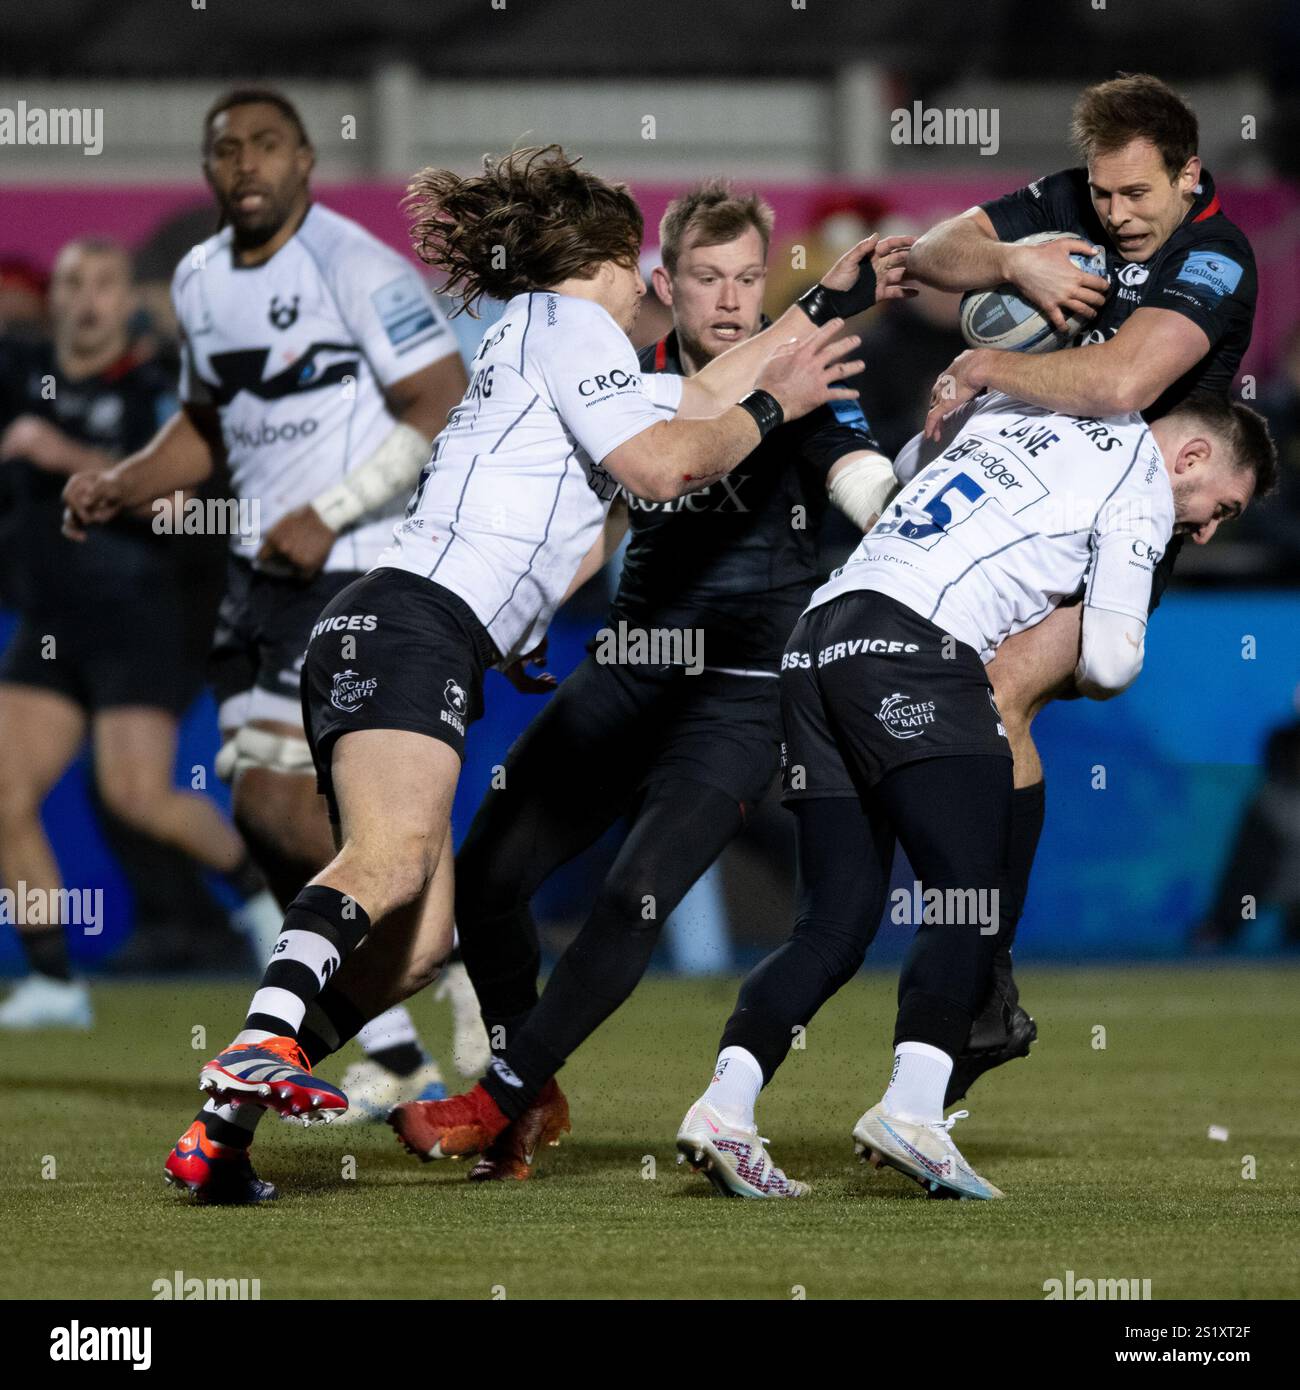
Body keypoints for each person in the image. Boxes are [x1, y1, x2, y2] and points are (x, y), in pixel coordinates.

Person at [66, 142, 902, 1203]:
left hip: (395, 628)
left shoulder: (542, 333)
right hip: (408, 625)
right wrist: (781, 398)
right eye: (640, 261)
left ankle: (217, 1136)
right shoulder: (574, 324)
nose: (650, 281)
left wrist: (822, 306)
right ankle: (258, 1044)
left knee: (411, 951)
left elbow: (686, 398)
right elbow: (667, 458)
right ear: (601, 259)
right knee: (397, 853)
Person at [387, 179, 906, 1180]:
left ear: (768, 280)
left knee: (631, 901)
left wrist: (906, 506)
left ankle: (490, 1104)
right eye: (705, 277)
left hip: (742, 692)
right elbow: (605, 517)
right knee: (488, 878)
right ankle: (526, 1086)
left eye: (748, 277)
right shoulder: (626, 373)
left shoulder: (805, 377)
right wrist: (528, 613)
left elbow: (863, 485)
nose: (727, 299)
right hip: (630, 666)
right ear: (664, 281)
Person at [675, 390, 1276, 1199]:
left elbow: (907, 468)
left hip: (818, 638)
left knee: (833, 922)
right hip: (916, 647)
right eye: (1218, 509)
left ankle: (725, 1109)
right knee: (972, 899)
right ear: (1192, 458)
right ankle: (913, 1111)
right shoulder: (1140, 486)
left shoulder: (1018, 411)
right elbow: (1108, 662)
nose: (1203, 530)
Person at [61, 88, 469, 1163]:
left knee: (284, 810)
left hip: (352, 574)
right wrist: (125, 478)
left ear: (306, 161)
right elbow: (207, 422)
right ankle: (395, 1025)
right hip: (254, 584)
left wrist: (328, 510)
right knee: (263, 816)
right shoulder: (198, 279)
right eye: (225, 148)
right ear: (207, 169)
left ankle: (414, 961)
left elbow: (441, 395)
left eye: (267, 144)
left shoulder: (355, 265)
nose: (244, 162)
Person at [904, 72, 1260, 1104]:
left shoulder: (1215, 256)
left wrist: (981, 364)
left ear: (1189, 175)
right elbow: (930, 256)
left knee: (1001, 691)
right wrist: (1014, 257)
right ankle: (979, 986)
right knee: (951, 694)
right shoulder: (1069, 202)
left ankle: (981, 976)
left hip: (1125, 525)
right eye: (1103, 196)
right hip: (1023, 499)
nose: (1115, 217)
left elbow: (1118, 384)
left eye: (1137, 196)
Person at [0, 238, 276, 1029]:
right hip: (48, 625)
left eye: (106, 282)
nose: (88, 298)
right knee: (6, 795)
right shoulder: (21, 374)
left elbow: (185, 508)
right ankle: (55, 982)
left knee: (138, 796)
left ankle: (259, 895)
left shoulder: (157, 389)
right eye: (75, 282)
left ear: (129, 301)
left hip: (140, 621)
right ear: (53, 298)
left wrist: (65, 456)